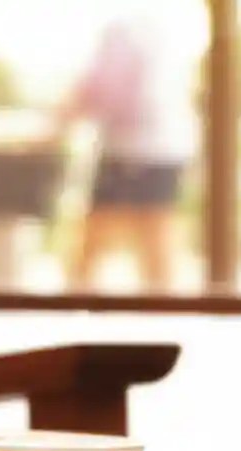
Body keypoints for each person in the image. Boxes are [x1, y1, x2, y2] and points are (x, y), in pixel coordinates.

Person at [59, 6, 201, 292]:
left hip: (132, 148)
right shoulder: (175, 19)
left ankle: (71, 313)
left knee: (91, 248)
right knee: (156, 243)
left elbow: (102, 89)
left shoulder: (123, 24)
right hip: (167, 147)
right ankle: (164, 315)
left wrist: (59, 118)